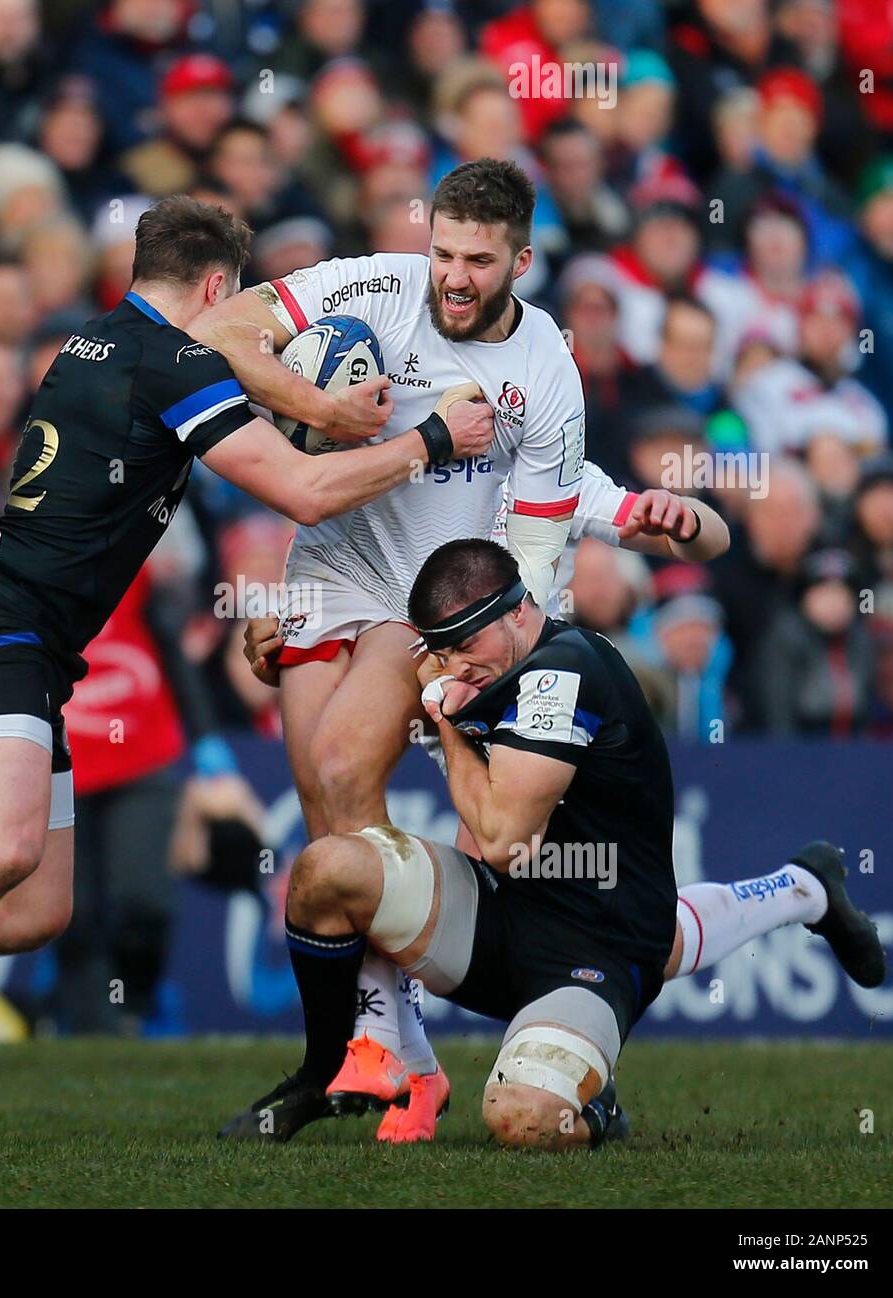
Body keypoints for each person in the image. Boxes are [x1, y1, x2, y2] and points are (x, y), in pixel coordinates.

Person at [0, 194, 495, 1129]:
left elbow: (239, 382)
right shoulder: (170, 365)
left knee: (31, 911)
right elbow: (299, 492)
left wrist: (317, 404)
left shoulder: (102, 340)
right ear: (218, 285)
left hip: (25, 645)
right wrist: (427, 441)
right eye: (241, 299)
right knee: (4, 851)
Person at [223, 539, 884, 1145]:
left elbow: (504, 839)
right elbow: (355, 685)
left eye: (463, 645)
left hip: (595, 948)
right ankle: (323, 1070)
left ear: (517, 611)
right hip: (502, 919)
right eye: (439, 650)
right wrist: (290, 644)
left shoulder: (559, 676)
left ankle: (596, 1103)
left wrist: (447, 728)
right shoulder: (472, 657)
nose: (452, 665)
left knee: (525, 1119)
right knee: (325, 868)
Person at [193, 157, 585, 1137]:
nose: (452, 275)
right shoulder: (378, 285)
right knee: (327, 817)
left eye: (478, 260)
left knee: (337, 764)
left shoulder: (547, 373)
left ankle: (371, 1047)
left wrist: (470, 658)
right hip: (326, 565)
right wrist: (321, 411)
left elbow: (531, 560)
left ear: (522, 261)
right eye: (442, 250)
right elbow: (223, 329)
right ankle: (397, 1051)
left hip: (430, 602)